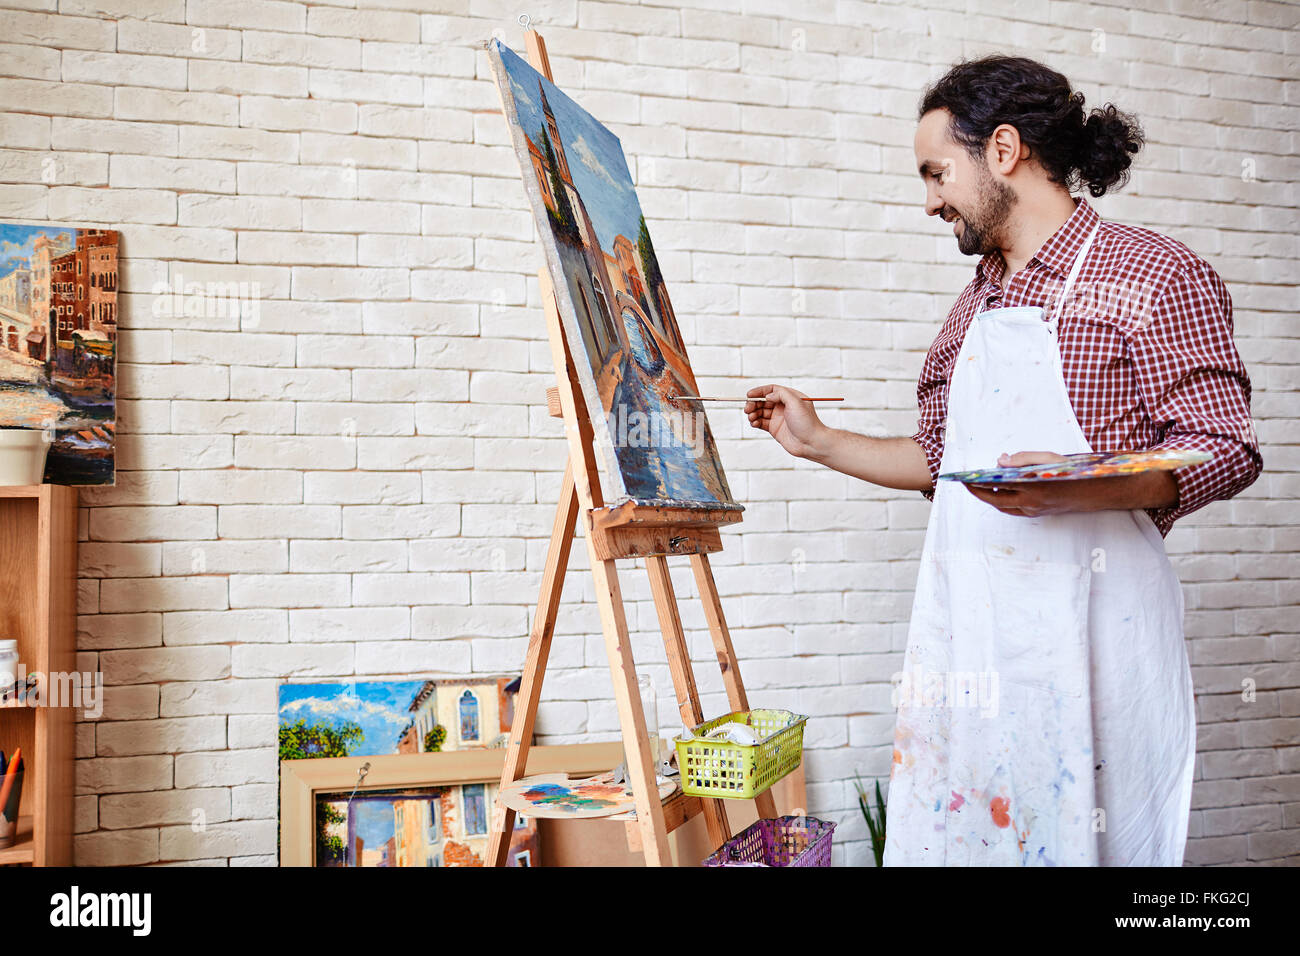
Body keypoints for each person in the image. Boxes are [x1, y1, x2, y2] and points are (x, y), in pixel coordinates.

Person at [745, 55, 1263, 866]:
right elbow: (946, 461)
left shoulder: (1153, 274)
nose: (929, 201)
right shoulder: (974, 302)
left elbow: (1222, 446)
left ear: (1004, 150)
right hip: (974, 633)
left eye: (935, 172)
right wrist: (816, 442)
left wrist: (1076, 487)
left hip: (1094, 631)